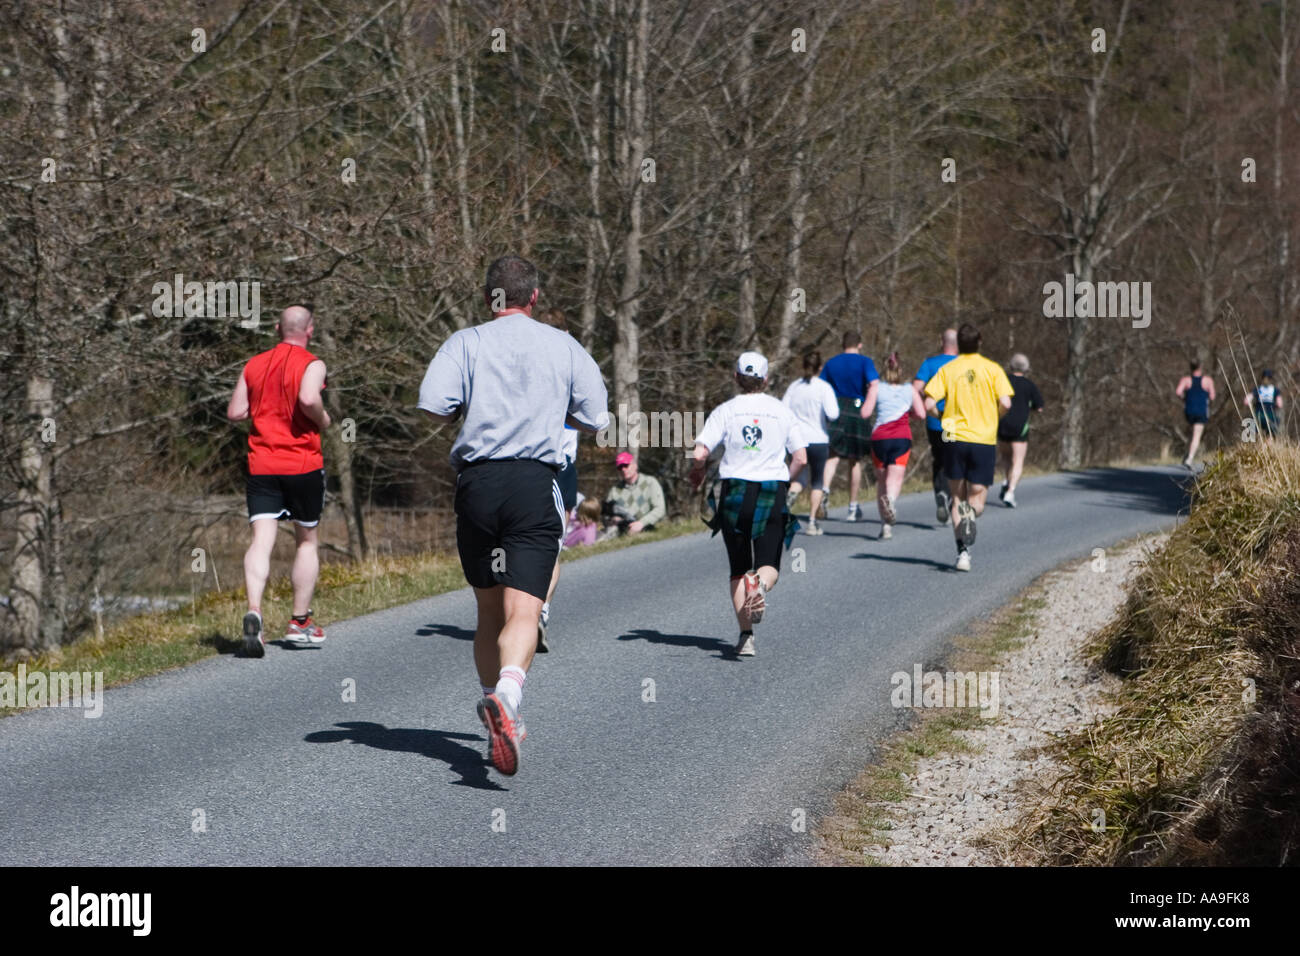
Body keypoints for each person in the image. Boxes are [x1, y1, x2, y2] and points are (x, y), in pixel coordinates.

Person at [418, 254, 609, 776]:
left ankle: (493, 708)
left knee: (486, 613)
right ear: (535, 297)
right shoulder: (564, 346)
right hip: (533, 482)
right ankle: (507, 697)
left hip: (477, 483)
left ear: (488, 298)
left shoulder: (465, 342)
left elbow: (434, 405)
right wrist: (550, 408)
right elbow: (596, 418)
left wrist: (475, 405)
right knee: (524, 611)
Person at [225, 305, 332, 658]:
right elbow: (308, 398)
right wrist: (323, 419)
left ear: (277, 328)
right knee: (306, 541)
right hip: (301, 464)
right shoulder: (313, 364)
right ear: (310, 330)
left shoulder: (253, 364)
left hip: (262, 465)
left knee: (261, 540)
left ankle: (254, 609)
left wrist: (265, 409)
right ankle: (299, 622)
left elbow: (235, 412)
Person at [689, 351, 808, 657]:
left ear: (736, 377)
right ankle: (760, 585)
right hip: (771, 489)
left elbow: (701, 452)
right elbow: (801, 457)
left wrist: (698, 471)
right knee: (769, 563)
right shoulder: (781, 411)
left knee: (737, 568)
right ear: (766, 380)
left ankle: (746, 637)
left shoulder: (726, 410)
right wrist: (786, 480)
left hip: (734, 492)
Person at [923, 323, 1014, 571]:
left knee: (956, 497)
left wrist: (941, 417)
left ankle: (963, 553)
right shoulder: (992, 369)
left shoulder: (949, 369)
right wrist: (995, 415)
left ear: (958, 344)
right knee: (977, 498)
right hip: (983, 437)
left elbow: (928, 401)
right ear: (980, 342)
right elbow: (1006, 402)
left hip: (953, 436)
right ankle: (972, 516)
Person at [535, 307, 581, 654]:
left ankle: (537, 612)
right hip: (543, 466)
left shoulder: (574, 370)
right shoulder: (534, 371)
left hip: (557, 467)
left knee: (551, 547)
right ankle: (537, 611)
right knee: (547, 547)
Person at [861, 352, 926, 539]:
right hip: (901, 437)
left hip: (879, 438)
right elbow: (921, 414)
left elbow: (866, 413)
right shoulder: (910, 389)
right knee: (894, 480)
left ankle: (885, 526)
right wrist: (909, 414)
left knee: (881, 481)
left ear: (885, 369)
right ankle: (891, 502)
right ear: (901, 370)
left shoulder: (876, 388)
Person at [820, 331, 879, 521]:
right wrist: (869, 407)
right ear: (859, 344)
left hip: (836, 408)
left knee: (833, 454)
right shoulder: (865, 362)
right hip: (857, 408)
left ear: (842, 344)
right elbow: (874, 384)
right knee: (854, 460)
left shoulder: (831, 363)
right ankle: (852, 508)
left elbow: (821, 387)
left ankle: (825, 491)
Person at [781, 350, 839, 535]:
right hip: (819, 439)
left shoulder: (794, 387)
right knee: (817, 482)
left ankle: (791, 496)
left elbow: (783, 409)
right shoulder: (824, 387)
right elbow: (833, 414)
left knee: (799, 477)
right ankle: (812, 522)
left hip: (797, 440)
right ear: (820, 367)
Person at [914, 328, 959, 524]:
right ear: (958, 344)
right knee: (954, 460)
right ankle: (950, 498)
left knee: (938, 458)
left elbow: (915, 387)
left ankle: (940, 492)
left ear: (942, 342)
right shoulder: (964, 364)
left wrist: (926, 398)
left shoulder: (929, 363)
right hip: (957, 421)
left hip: (934, 420)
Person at [996, 353, 1045, 508]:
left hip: (1001, 424)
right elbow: (1040, 407)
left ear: (1010, 366)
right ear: (1027, 369)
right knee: (1018, 460)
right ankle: (1010, 491)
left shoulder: (1002, 381)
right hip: (1020, 427)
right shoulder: (1029, 385)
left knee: (1005, 455)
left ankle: (1005, 478)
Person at [602, 452, 666, 536]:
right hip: (623, 534)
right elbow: (605, 516)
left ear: (635, 465)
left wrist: (641, 523)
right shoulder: (614, 491)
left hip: (650, 530)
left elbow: (660, 509)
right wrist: (613, 520)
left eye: (626, 465)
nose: (623, 469)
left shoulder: (650, 482)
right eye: (620, 467)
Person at [1175, 360, 1215, 468]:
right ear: (1200, 368)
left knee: (1191, 433)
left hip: (1189, 410)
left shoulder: (1186, 380)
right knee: (1196, 435)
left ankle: (1187, 455)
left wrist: (1185, 398)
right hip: (1201, 410)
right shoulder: (1207, 380)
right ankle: (1190, 458)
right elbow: (1212, 396)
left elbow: (1178, 392)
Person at [1245, 369, 1284, 441]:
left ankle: (1258, 445)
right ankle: (1268, 446)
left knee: (1255, 433)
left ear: (1262, 378)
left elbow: (1247, 401)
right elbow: (1280, 404)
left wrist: (1251, 404)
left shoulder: (1258, 389)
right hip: (1270, 416)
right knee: (1271, 434)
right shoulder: (1275, 390)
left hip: (1258, 415)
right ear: (1271, 379)